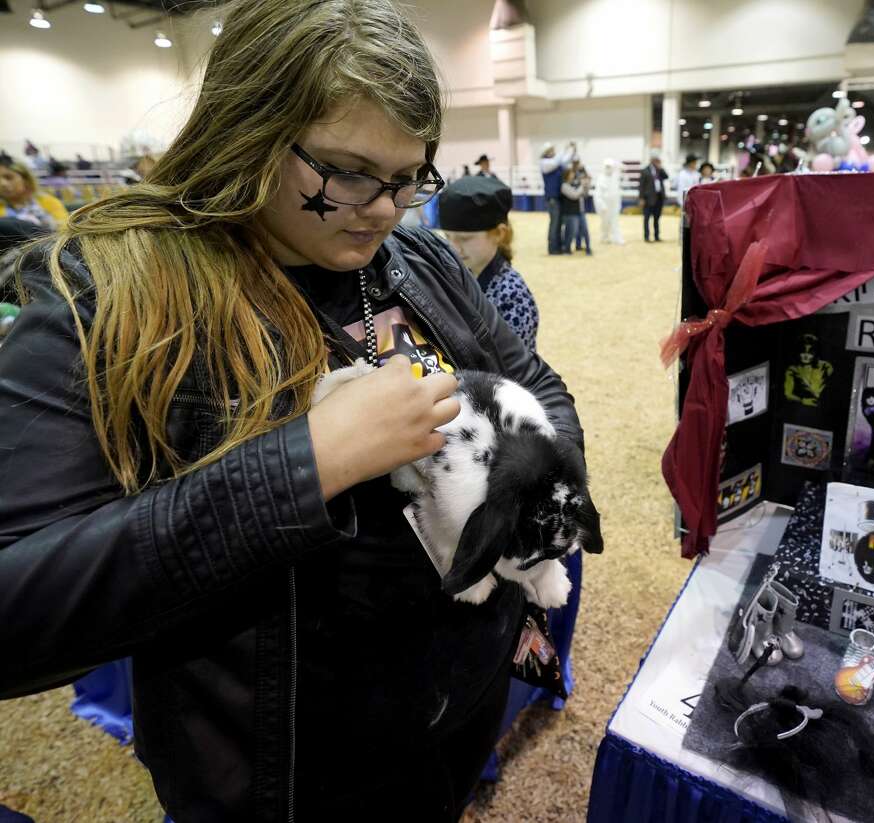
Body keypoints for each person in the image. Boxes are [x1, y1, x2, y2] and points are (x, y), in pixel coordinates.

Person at [0, 1, 589, 821]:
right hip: (290, 773)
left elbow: (541, 382)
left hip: (456, 702)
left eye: (411, 176)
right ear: (251, 129)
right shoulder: (109, 294)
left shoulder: (414, 257)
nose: (385, 207)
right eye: (348, 172)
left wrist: (541, 498)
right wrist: (308, 461)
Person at [439, 176, 538, 351]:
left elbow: (509, 367)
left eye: (465, 239)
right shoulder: (454, 275)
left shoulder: (513, 295)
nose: (454, 248)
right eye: (448, 237)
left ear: (499, 234)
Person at [0, 161, 68, 229]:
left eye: (9, 177)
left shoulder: (48, 201)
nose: (3, 184)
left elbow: (64, 229)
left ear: (26, 179)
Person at [539, 141, 575, 254]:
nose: (553, 152)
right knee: (555, 224)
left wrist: (572, 150)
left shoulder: (554, 162)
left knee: (558, 223)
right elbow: (558, 161)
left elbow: (565, 160)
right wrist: (565, 149)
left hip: (557, 198)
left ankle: (558, 247)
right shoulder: (545, 163)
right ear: (546, 152)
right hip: (552, 199)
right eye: (551, 150)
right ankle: (553, 248)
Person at [638, 152, 668, 242]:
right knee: (647, 218)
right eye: (655, 160)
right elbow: (641, 186)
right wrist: (641, 198)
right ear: (651, 160)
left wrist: (661, 168)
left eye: (657, 160)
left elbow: (666, 176)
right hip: (648, 198)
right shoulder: (645, 171)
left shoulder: (659, 170)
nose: (656, 162)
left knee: (657, 218)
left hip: (659, 197)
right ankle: (646, 236)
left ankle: (656, 236)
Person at [594, 158, 624, 245]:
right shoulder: (601, 178)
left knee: (615, 221)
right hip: (605, 205)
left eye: (610, 166)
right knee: (605, 222)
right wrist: (601, 204)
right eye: (607, 166)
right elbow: (598, 194)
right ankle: (605, 236)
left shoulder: (615, 177)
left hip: (614, 204)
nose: (609, 168)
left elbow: (616, 192)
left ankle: (617, 238)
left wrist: (618, 203)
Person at [566, 161, 592, 255]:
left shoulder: (578, 181)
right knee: (573, 231)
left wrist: (586, 184)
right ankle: (568, 248)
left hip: (581, 209)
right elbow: (575, 194)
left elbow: (585, 194)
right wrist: (583, 185)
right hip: (572, 211)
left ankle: (588, 248)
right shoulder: (566, 185)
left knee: (584, 230)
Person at [559, 164, 586, 256]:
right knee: (570, 231)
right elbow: (574, 195)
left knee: (575, 231)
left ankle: (570, 248)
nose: (573, 175)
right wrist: (582, 186)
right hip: (569, 212)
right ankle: (566, 248)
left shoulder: (573, 184)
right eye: (571, 173)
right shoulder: (564, 186)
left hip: (575, 211)